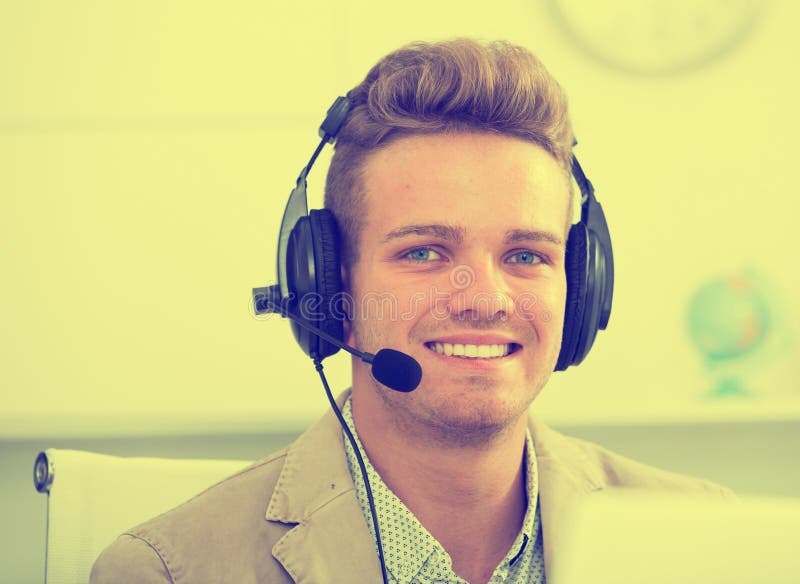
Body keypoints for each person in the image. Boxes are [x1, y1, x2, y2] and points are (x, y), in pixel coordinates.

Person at [91, 38, 733, 584]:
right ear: (327, 293)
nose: (485, 298)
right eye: (425, 251)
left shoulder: (710, 543)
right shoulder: (169, 573)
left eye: (527, 255)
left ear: (582, 286)